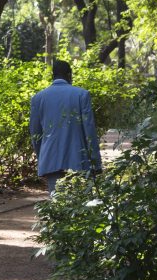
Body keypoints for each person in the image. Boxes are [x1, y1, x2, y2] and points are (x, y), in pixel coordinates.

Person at [29, 59, 102, 195]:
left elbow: (35, 134)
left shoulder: (38, 98)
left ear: (53, 75)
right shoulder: (82, 95)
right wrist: (96, 163)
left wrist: (42, 158)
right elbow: (89, 131)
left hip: (51, 161)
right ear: (69, 75)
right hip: (79, 161)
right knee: (80, 202)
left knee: (57, 202)